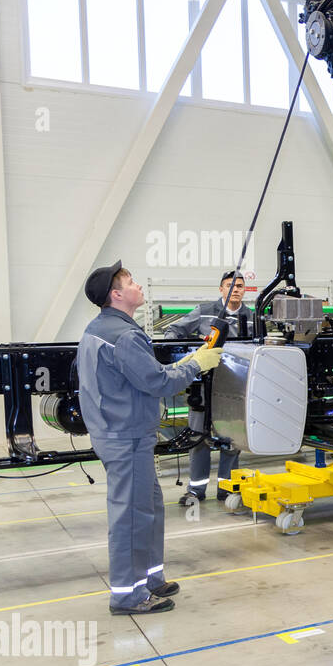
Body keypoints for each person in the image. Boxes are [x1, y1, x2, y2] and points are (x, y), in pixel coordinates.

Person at [78, 261, 222, 614]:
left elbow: (147, 375)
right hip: (125, 436)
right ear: (116, 294)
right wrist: (197, 364)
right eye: (131, 282)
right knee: (130, 515)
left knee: (150, 508)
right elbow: (159, 383)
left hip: (123, 432)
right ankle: (127, 595)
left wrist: (188, 360)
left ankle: (151, 578)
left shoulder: (103, 328)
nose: (137, 285)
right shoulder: (123, 336)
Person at [163, 271, 252, 506]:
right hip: (203, 386)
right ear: (221, 289)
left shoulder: (251, 316)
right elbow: (173, 332)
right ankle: (196, 490)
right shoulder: (204, 311)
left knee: (232, 438)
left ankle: (226, 488)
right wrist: (193, 352)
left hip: (234, 388)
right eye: (230, 285)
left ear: (245, 290)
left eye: (240, 286)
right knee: (199, 436)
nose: (236, 289)